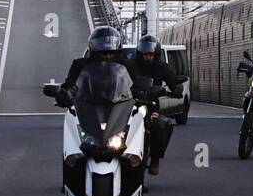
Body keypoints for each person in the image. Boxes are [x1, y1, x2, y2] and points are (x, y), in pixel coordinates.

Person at [58, 27, 181, 175]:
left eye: (111, 53)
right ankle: (72, 164)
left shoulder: (127, 65)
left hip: (119, 105)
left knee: (153, 124)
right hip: (88, 106)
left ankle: (143, 162)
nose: (108, 56)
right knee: (72, 122)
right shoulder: (80, 65)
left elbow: (135, 84)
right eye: (103, 53)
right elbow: (69, 85)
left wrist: (143, 94)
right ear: (94, 51)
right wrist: (62, 93)